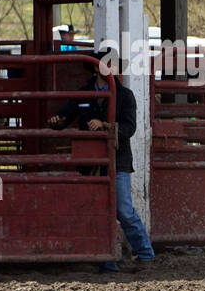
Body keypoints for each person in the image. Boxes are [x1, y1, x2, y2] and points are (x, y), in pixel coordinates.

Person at [48, 52, 155, 272]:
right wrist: (57, 121)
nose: (111, 68)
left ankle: (144, 253)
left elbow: (129, 128)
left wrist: (105, 125)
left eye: (113, 65)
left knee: (123, 209)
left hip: (116, 160)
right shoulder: (84, 94)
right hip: (91, 161)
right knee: (99, 209)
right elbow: (65, 115)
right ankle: (109, 258)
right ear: (97, 68)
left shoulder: (125, 95)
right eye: (107, 64)